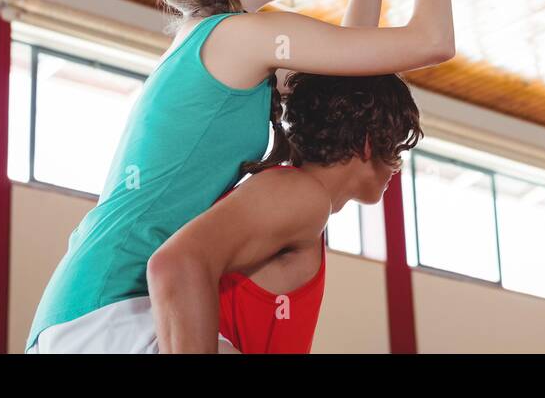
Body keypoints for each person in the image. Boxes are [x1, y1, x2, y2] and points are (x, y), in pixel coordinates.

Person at [27, 0, 451, 352]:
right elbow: (433, 40)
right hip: (109, 308)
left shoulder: (217, 47)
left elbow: (345, 86)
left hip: (88, 306)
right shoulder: (239, 38)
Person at [150, 71, 422, 353]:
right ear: (368, 143)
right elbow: (175, 263)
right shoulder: (301, 194)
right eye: (396, 150)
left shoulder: (299, 199)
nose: (396, 167)